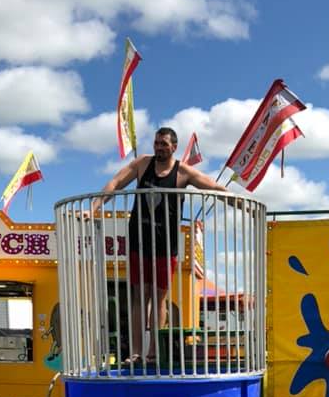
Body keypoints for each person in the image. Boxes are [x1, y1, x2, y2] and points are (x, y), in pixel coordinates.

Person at [96, 127, 236, 363]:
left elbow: (212, 186)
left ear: (173, 147)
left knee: (159, 298)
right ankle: (136, 352)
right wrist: (96, 206)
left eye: (163, 144)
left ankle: (153, 351)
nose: (159, 147)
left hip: (166, 244)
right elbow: (117, 182)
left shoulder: (183, 172)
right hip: (140, 240)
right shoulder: (142, 164)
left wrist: (240, 203)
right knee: (140, 296)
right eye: (156, 143)